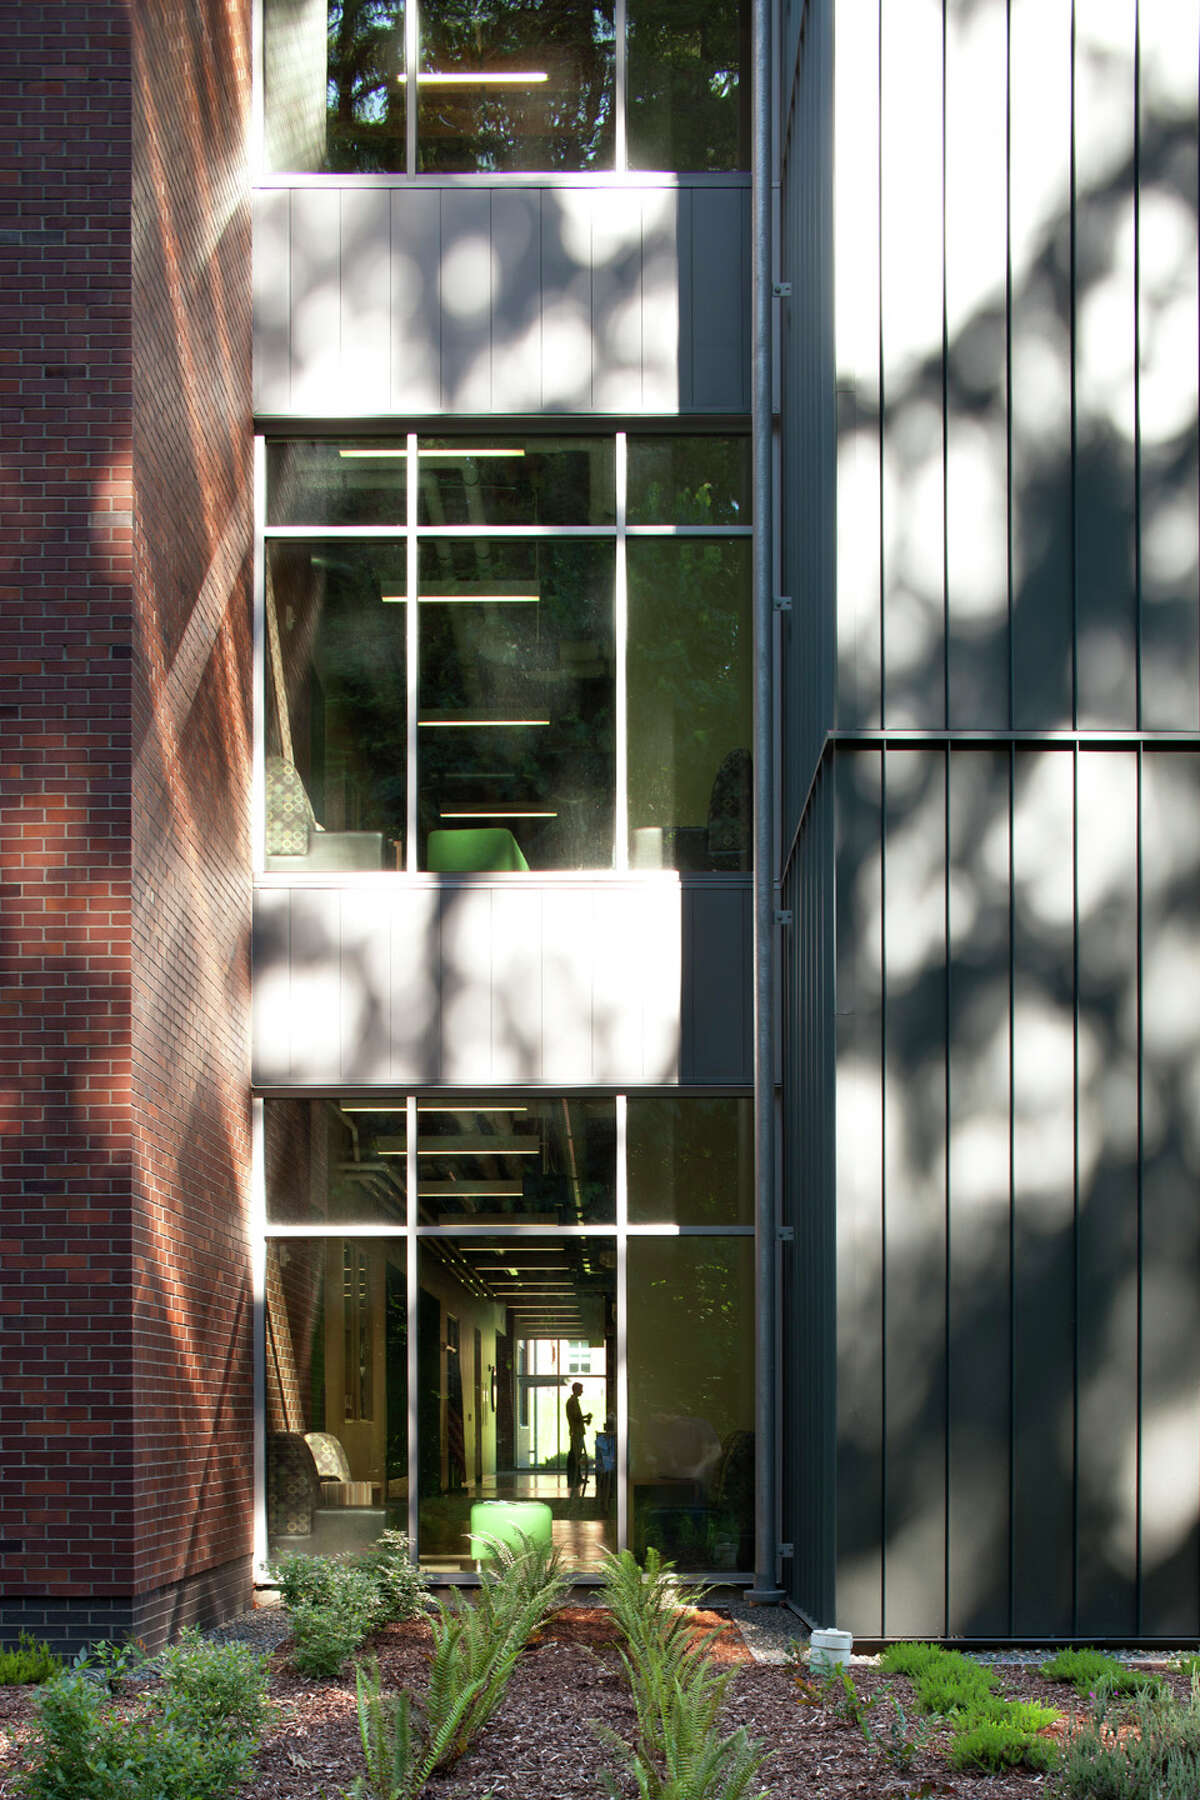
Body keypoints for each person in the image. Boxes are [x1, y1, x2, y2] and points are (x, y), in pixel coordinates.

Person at [565, 1381, 591, 1493]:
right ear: (576, 1390)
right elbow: (576, 1417)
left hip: (577, 1431)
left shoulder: (573, 1401)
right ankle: (574, 1477)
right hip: (576, 1432)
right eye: (581, 1389)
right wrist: (586, 1417)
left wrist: (584, 1419)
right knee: (575, 1454)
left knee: (576, 1454)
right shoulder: (572, 1402)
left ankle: (576, 1477)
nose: (582, 1392)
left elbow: (576, 1418)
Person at [594, 1415, 616, 1509]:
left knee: (607, 1470)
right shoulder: (602, 1440)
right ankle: (605, 1501)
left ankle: (605, 1501)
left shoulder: (601, 1440)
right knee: (606, 1470)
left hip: (608, 1467)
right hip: (607, 1467)